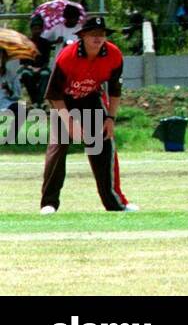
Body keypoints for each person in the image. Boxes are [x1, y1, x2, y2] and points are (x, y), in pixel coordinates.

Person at [39, 16, 138, 213]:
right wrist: (70, 123)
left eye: (101, 34)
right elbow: (53, 94)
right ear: (82, 36)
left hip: (91, 99)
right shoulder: (68, 56)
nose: (98, 38)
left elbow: (115, 89)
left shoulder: (114, 54)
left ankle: (115, 203)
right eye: (93, 34)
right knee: (58, 149)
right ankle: (49, 203)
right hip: (64, 102)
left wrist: (110, 118)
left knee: (104, 145)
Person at [18, 12, 54, 105]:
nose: (37, 31)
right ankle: (35, 101)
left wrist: (39, 68)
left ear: (41, 30)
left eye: (39, 29)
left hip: (42, 68)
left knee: (45, 74)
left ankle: (39, 102)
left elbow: (46, 60)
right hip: (28, 68)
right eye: (35, 29)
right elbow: (23, 61)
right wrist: (31, 68)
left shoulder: (45, 43)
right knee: (26, 74)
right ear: (31, 29)